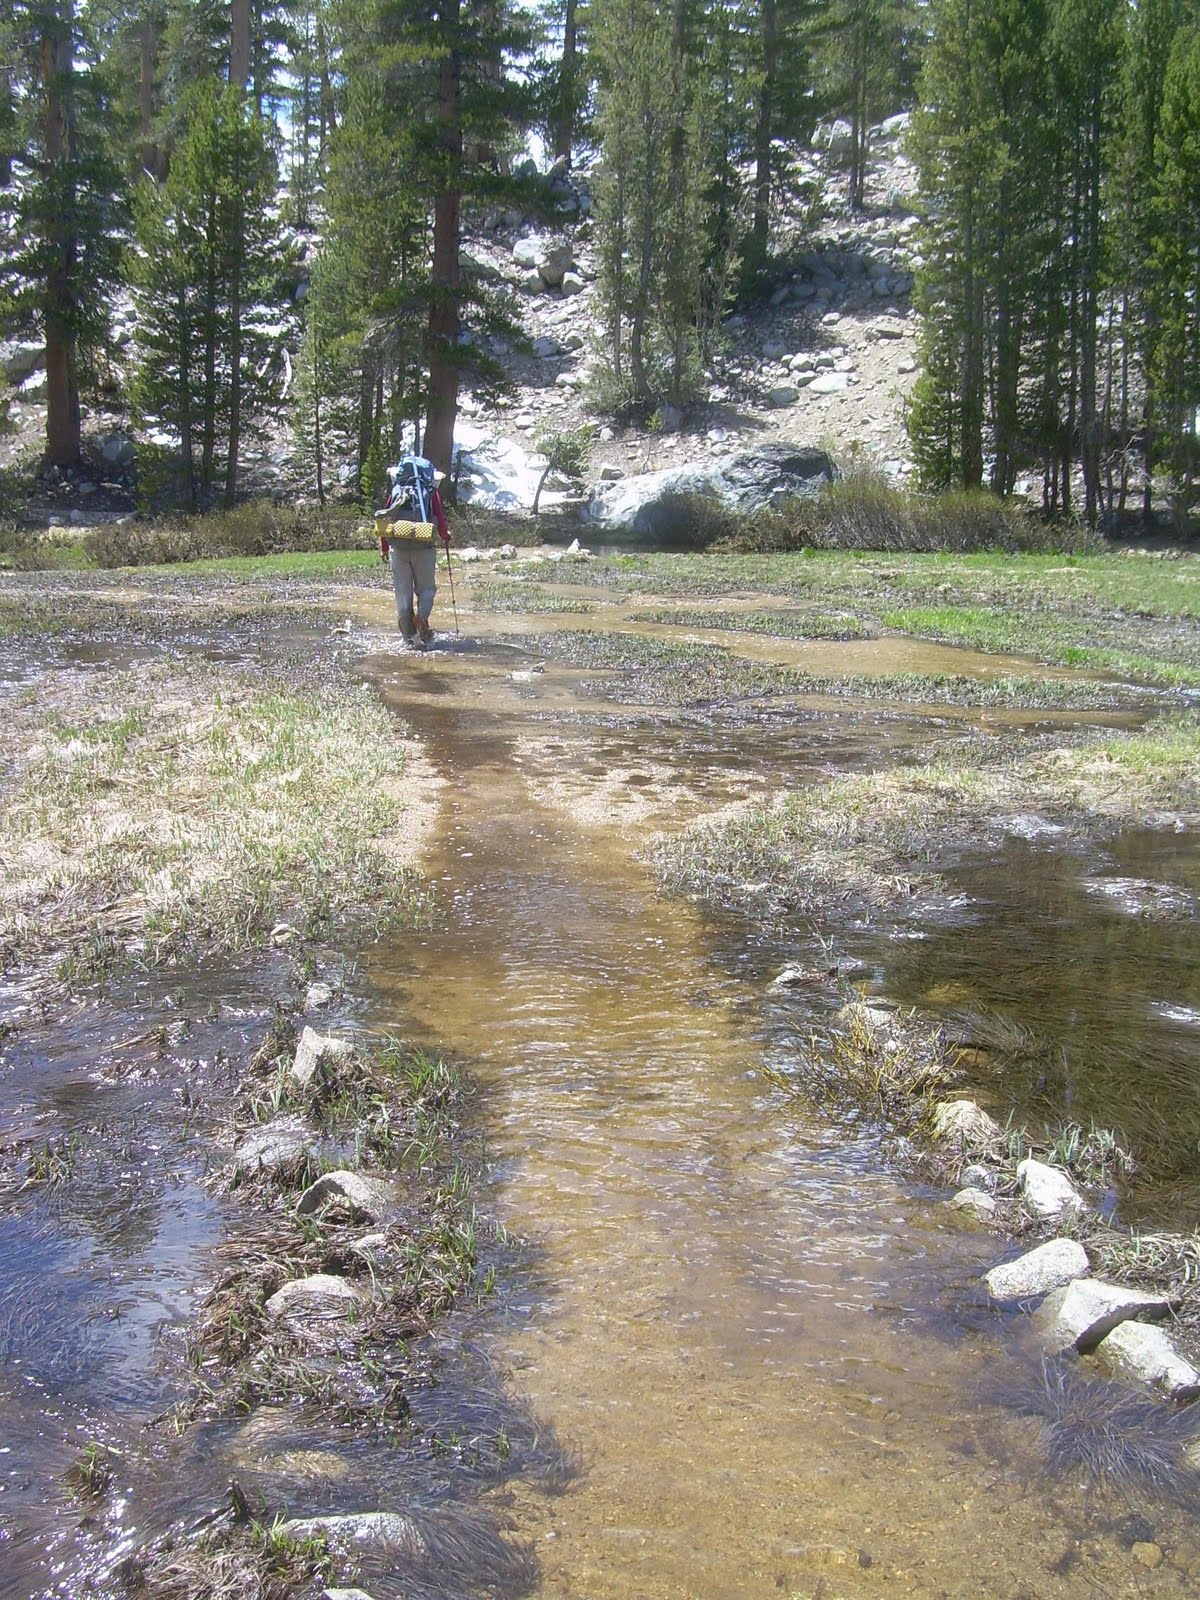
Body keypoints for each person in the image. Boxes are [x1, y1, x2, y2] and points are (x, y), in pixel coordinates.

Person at [378, 458, 451, 647]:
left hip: (398, 549)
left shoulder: (397, 490)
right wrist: (445, 536)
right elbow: (439, 517)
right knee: (426, 590)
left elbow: (386, 518)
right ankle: (421, 618)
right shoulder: (430, 491)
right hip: (424, 548)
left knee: (403, 594)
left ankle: (408, 639)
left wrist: (384, 546)